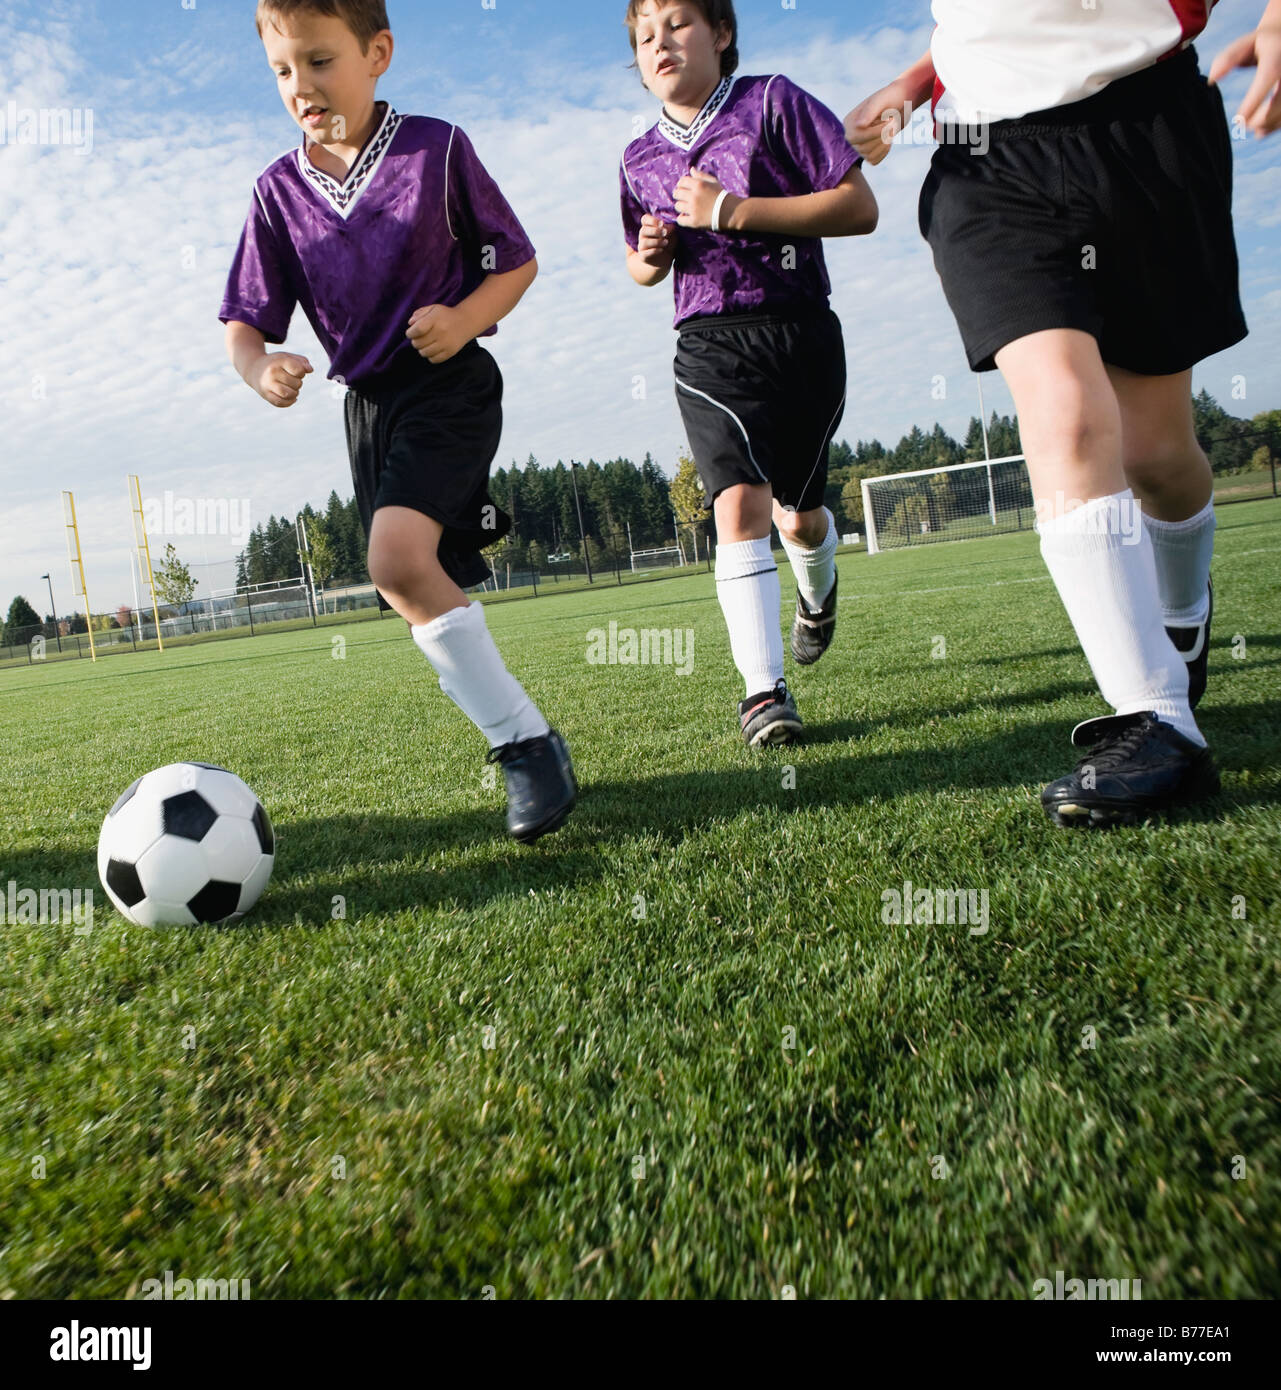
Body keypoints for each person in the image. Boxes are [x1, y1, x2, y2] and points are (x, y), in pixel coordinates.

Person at [846, 1, 1281, 825]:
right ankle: (1158, 720)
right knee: (1068, 418)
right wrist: (911, 84)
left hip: (1143, 128)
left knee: (1156, 455)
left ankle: (1182, 618)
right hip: (984, 162)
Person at [220, 0, 576, 843]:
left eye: (318, 60)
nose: (300, 85)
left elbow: (515, 261)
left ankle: (526, 750)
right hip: (367, 407)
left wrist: (460, 317)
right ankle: (528, 742)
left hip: (449, 382)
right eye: (281, 70)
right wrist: (257, 365)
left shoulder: (436, 148)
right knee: (404, 580)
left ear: (376, 52)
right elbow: (245, 321)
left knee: (395, 557)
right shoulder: (277, 192)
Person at [620, 0, 878, 746]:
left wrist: (732, 210)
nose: (659, 43)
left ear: (721, 33)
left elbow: (857, 208)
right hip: (707, 343)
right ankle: (763, 694)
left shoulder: (774, 102)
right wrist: (651, 255)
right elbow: (637, 269)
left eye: (676, 23)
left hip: (799, 330)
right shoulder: (637, 158)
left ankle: (817, 595)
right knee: (738, 503)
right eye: (643, 36)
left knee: (798, 516)